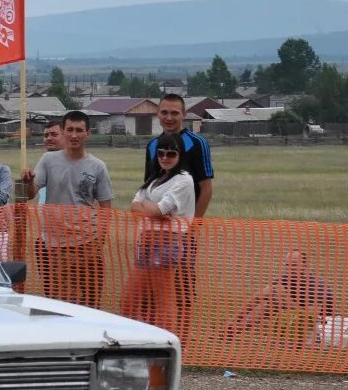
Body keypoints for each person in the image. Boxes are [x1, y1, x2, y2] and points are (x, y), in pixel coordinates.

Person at [144, 94, 215, 344]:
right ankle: (155, 338)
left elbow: (205, 187)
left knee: (183, 285)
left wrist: (193, 225)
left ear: (183, 114)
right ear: (158, 114)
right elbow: (149, 186)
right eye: (164, 112)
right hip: (155, 230)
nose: (169, 117)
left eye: (174, 113)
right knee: (153, 285)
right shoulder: (153, 145)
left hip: (182, 231)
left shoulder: (197, 143)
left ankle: (181, 341)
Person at [32, 109, 113, 308]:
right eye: (70, 130)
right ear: (64, 131)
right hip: (55, 245)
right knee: (59, 302)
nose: (74, 135)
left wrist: (98, 241)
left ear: (88, 133)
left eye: (79, 130)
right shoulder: (48, 160)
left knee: (90, 302)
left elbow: (106, 207)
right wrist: (26, 180)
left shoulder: (98, 166)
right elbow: (30, 193)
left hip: (87, 243)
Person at [121, 132, 194, 332]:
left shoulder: (184, 180)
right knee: (129, 299)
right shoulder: (155, 177)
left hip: (166, 245)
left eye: (171, 154)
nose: (165, 158)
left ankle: (166, 344)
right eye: (161, 153)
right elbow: (135, 206)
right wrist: (151, 208)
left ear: (180, 156)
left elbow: (160, 210)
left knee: (163, 300)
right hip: (144, 244)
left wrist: (151, 208)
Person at [223, 250, 336, 341]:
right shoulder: (286, 279)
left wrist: (285, 302)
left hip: (323, 328)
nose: (289, 268)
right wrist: (235, 320)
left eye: (294, 264)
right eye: (287, 265)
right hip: (299, 319)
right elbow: (258, 297)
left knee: (275, 300)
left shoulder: (316, 285)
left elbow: (312, 316)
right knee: (269, 301)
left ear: (305, 265)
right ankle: (233, 329)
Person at [19, 119, 63, 200]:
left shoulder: (85, 160)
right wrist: (29, 181)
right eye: (46, 136)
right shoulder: (47, 158)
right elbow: (29, 195)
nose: (49, 138)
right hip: (50, 211)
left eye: (54, 134)